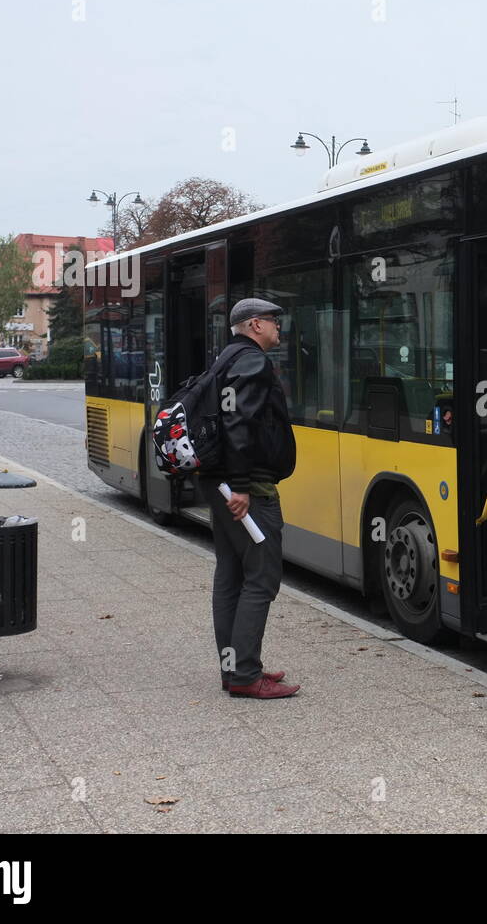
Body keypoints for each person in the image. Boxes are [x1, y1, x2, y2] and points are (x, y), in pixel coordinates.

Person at [204, 298, 299, 699]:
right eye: (275, 322)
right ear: (255, 324)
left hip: (219, 482)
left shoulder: (224, 358)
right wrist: (242, 485)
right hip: (249, 489)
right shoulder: (253, 362)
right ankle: (245, 674)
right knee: (260, 578)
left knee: (230, 574)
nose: (280, 328)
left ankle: (233, 669)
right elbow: (237, 421)